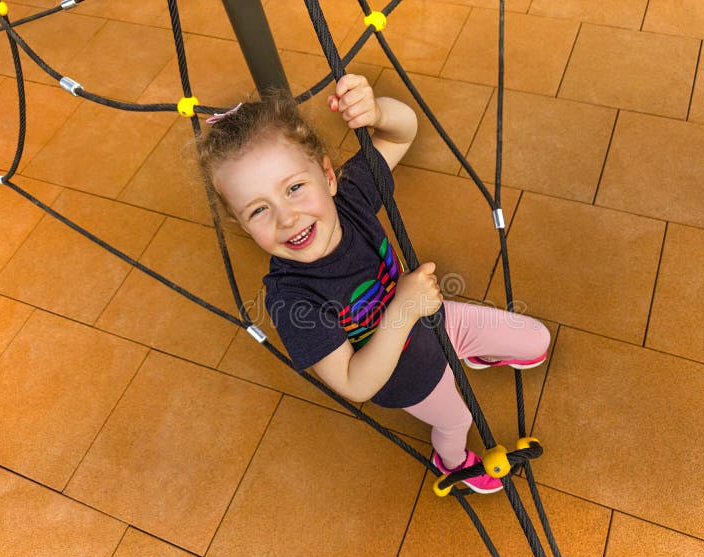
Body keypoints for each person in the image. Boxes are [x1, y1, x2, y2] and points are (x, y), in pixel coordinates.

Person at [197, 75, 550, 494]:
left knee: (537, 342)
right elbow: (355, 384)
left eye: (294, 188)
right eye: (258, 210)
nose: (287, 218)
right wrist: (403, 309)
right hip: (408, 375)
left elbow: (402, 134)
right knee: (458, 419)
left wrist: (380, 112)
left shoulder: (350, 197)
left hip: (437, 320)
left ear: (328, 176)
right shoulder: (291, 298)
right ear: (241, 223)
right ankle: (453, 463)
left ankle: (474, 354)